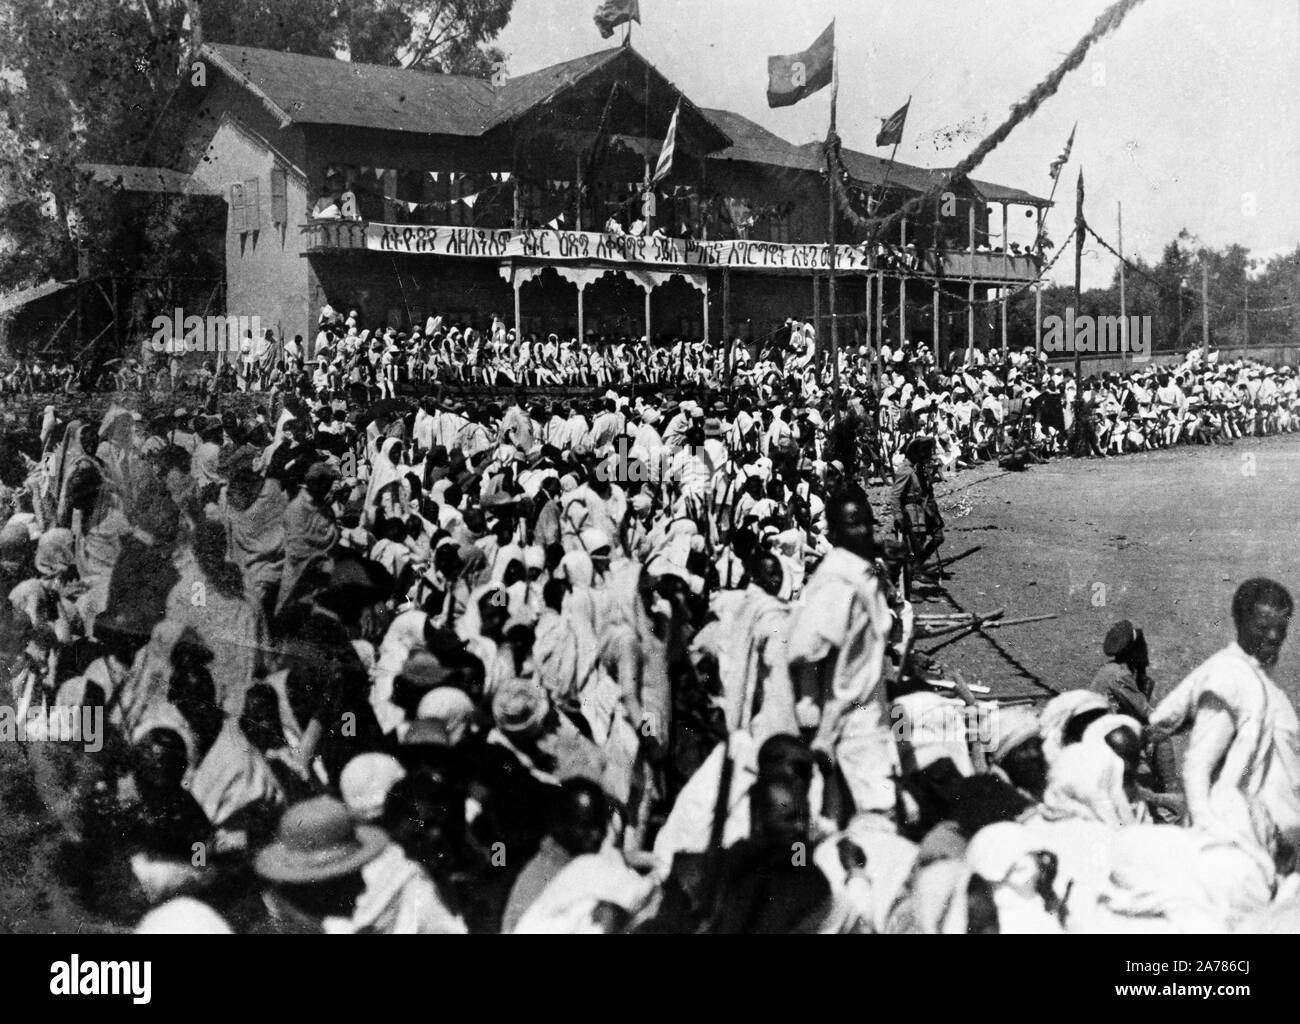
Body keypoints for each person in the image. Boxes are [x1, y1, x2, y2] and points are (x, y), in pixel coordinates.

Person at [1150, 578, 1300, 849]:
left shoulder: (1260, 684)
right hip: (1237, 838)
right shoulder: (1231, 679)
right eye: (1263, 627)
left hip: (1270, 835)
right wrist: (1209, 831)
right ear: (1241, 623)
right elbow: (1198, 764)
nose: (1275, 637)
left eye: (1281, 628)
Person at [785, 493, 896, 826]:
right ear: (833, 532)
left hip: (867, 704)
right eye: (852, 524)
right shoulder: (838, 579)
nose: (862, 531)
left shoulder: (857, 570)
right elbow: (807, 648)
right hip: (850, 709)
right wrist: (819, 701)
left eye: (866, 522)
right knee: (871, 811)